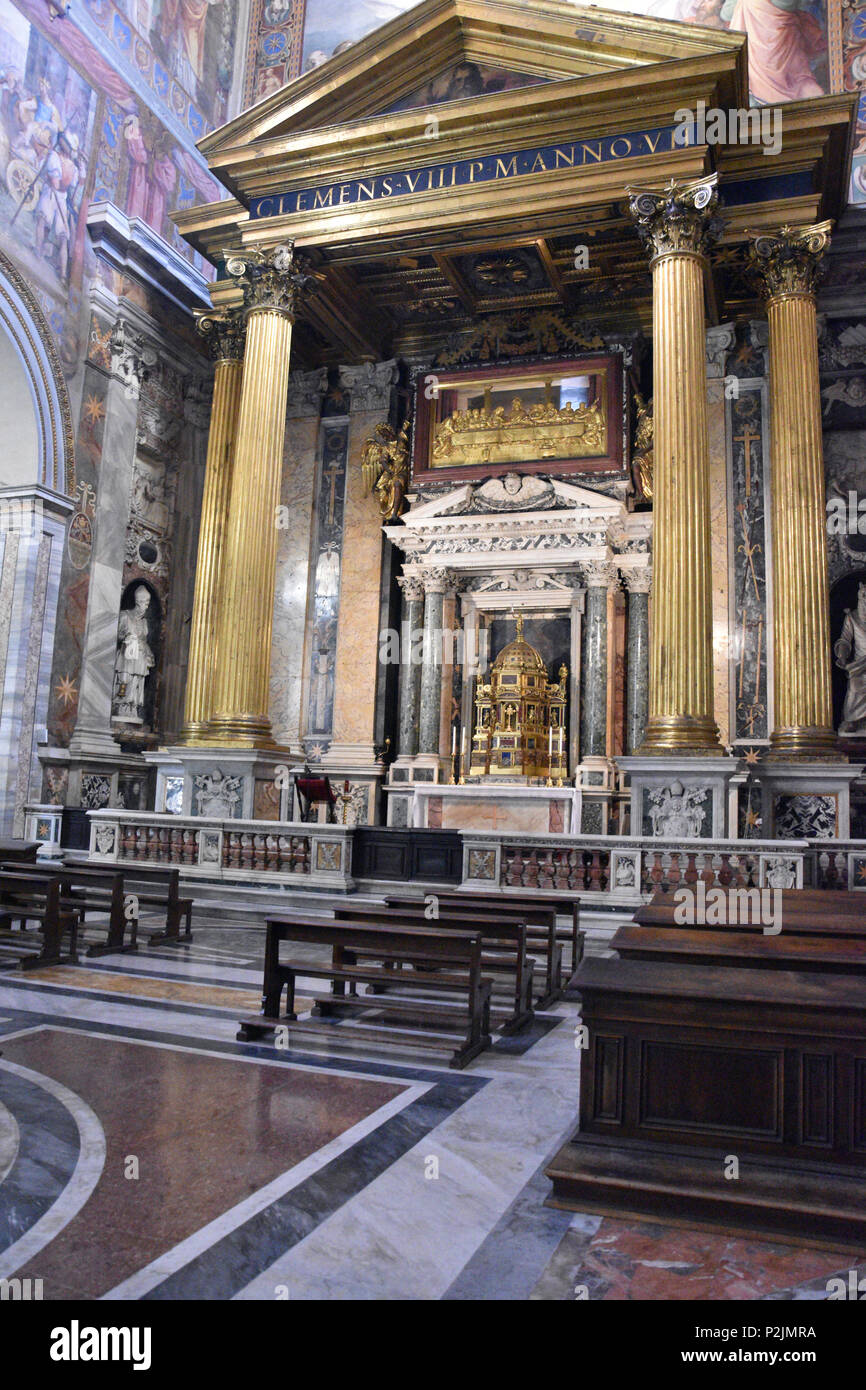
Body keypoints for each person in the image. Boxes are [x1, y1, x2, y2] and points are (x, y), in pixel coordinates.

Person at [113, 587, 155, 722]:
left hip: (140, 658)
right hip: (126, 656)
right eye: (146, 604)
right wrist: (127, 637)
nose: (147, 607)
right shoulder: (125, 615)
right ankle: (120, 707)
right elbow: (116, 636)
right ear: (138, 602)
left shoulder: (144, 622)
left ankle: (132, 708)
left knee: (137, 682)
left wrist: (149, 655)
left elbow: (144, 641)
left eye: (148, 604)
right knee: (124, 679)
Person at [835, 582, 866, 734]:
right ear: (859, 597)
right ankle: (852, 720)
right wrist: (842, 655)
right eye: (863, 596)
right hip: (859, 666)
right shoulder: (852, 617)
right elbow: (845, 640)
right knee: (855, 688)